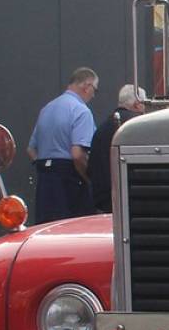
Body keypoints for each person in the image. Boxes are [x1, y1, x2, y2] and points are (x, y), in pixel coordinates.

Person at [26, 67, 98, 222]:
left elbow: (31, 149)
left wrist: (45, 169)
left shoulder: (46, 109)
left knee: (46, 229)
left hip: (45, 182)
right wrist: (89, 179)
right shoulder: (81, 111)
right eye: (95, 90)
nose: (94, 95)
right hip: (70, 181)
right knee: (75, 229)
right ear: (87, 86)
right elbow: (77, 154)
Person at [91, 84, 147, 213]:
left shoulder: (101, 128)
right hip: (131, 198)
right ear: (137, 104)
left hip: (103, 199)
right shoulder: (138, 127)